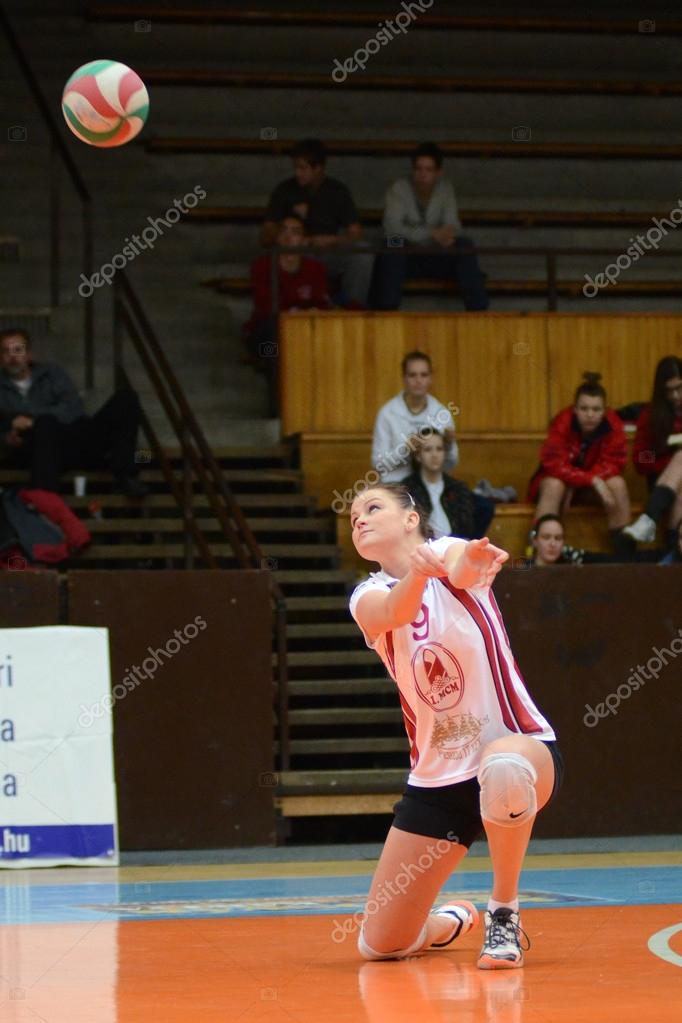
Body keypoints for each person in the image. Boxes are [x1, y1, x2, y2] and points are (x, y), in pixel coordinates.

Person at [348, 483, 562, 968]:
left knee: (504, 767)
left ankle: (503, 912)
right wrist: (419, 576)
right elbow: (394, 611)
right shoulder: (366, 595)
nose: (359, 519)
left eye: (372, 507)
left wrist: (473, 557)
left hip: (523, 749)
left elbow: (464, 561)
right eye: (353, 515)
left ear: (410, 519)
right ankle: (450, 922)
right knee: (381, 945)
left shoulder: (443, 553)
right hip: (440, 782)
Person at [0, 328, 148, 496]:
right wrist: (6, 438)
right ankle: (46, 500)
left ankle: (126, 476)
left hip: (76, 439)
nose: (12, 356)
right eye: (6, 351)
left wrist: (31, 419)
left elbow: (74, 408)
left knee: (126, 398)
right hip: (38, 451)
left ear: (28, 355)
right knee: (46, 423)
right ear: (1, 358)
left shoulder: (51, 373)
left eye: (18, 350)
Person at [372, 142, 488, 312]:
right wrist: (430, 233)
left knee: (465, 244)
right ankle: (388, 310)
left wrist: (447, 235)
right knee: (391, 242)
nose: (422, 174)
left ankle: (478, 310)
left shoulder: (445, 188)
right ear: (413, 170)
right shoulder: (399, 188)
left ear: (438, 172)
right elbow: (392, 228)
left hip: (436, 253)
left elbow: (454, 224)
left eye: (428, 169)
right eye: (418, 169)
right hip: (407, 255)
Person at [527, 372, 632, 557]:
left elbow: (616, 461)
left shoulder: (613, 424)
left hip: (594, 490)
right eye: (584, 408)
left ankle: (624, 555)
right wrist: (591, 480)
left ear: (604, 410)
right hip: (564, 485)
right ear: (574, 409)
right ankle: (536, 554)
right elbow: (553, 463)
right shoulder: (562, 422)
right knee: (553, 485)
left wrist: (591, 480)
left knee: (617, 484)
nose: (590, 414)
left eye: (596, 409)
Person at [262, 138, 374, 308]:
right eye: (296, 168)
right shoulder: (284, 190)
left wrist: (332, 240)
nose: (298, 173)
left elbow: (356, 233)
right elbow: (267, 233)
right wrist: (291, 236)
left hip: (329, 251)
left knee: (363, 253)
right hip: (298, 253)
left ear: (319, 168)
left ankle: (353, 309)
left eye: (303, 168)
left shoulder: (337, 191)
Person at [244, 215, 331, 414]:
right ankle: (278, 413)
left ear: (304, 239)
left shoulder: (315, 269)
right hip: (265, 337)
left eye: (296, 232)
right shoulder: (262, 266)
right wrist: (295, 314)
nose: (289, 236)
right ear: (277, 236)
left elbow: (321, 304)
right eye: (284, 230)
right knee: (274, 351)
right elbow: (264, 307)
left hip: (304, 334)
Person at [371, 351, 458, 483]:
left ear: (431, 378)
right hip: (396, 488)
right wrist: (405, 450)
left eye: (423, 375)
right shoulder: (387, 414)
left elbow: (452, 464)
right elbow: (378, 464)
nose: (418, 381)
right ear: (404, 378)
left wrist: (449, 445)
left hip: (430, 487)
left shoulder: (441, 413)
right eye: (412, 375)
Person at [624, 355, 682, 547]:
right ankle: (673, 551)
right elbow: (640, 458)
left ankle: (649, 519)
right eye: (669, 391)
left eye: (679, 388)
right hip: (661, 482)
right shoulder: (650, 415)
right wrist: (666, 459)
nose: (675, 396)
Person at [401, 428, 492, 540]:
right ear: (418, 456)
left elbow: (467, 528)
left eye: (439, 449)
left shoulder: (458, 488)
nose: (434, 455)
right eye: (428, 449)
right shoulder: (407, 489)